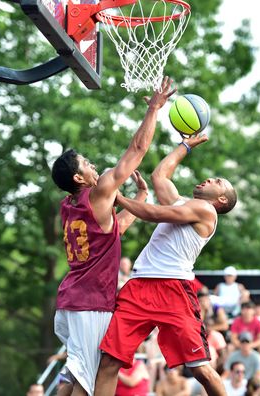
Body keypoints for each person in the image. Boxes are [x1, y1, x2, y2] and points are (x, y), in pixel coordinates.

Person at [51, 77, 176, 396]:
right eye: (87, 164)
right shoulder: (99, 190)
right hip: (90, 303)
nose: (94, 165)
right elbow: (137, 149)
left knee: (75, 375)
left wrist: (141, 197)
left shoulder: (69, 205)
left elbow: (114, 229)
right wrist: (153, 110)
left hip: (71, 300)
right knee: (89, 381)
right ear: (79, 177)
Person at [94, 133, 237, 396]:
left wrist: (119, 199)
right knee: (109, 361)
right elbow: (160, 176)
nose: (209, 179)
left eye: (217, 181)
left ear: (222, 200)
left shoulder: (207, 211)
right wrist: (185, 146)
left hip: (174, 288)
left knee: (200, 369)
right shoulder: (183, 202)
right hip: (139, 286)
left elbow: (154, 213)